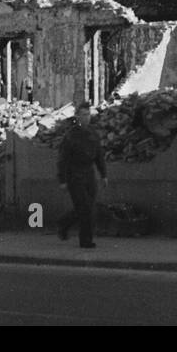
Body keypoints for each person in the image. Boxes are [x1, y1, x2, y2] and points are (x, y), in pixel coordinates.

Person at [57, 101, 107, 248]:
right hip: (75, 175)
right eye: (83, 115)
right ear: (77, 117)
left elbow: (99, 156)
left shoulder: (93, 133)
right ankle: (85, 241)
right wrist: (63, 179)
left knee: (89, 208)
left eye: (88, 114)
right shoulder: (71, 135)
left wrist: (103, 174)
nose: (87, 118)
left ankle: (64, 223)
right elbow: (63, 159)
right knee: (84, 208)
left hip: (89, 174)